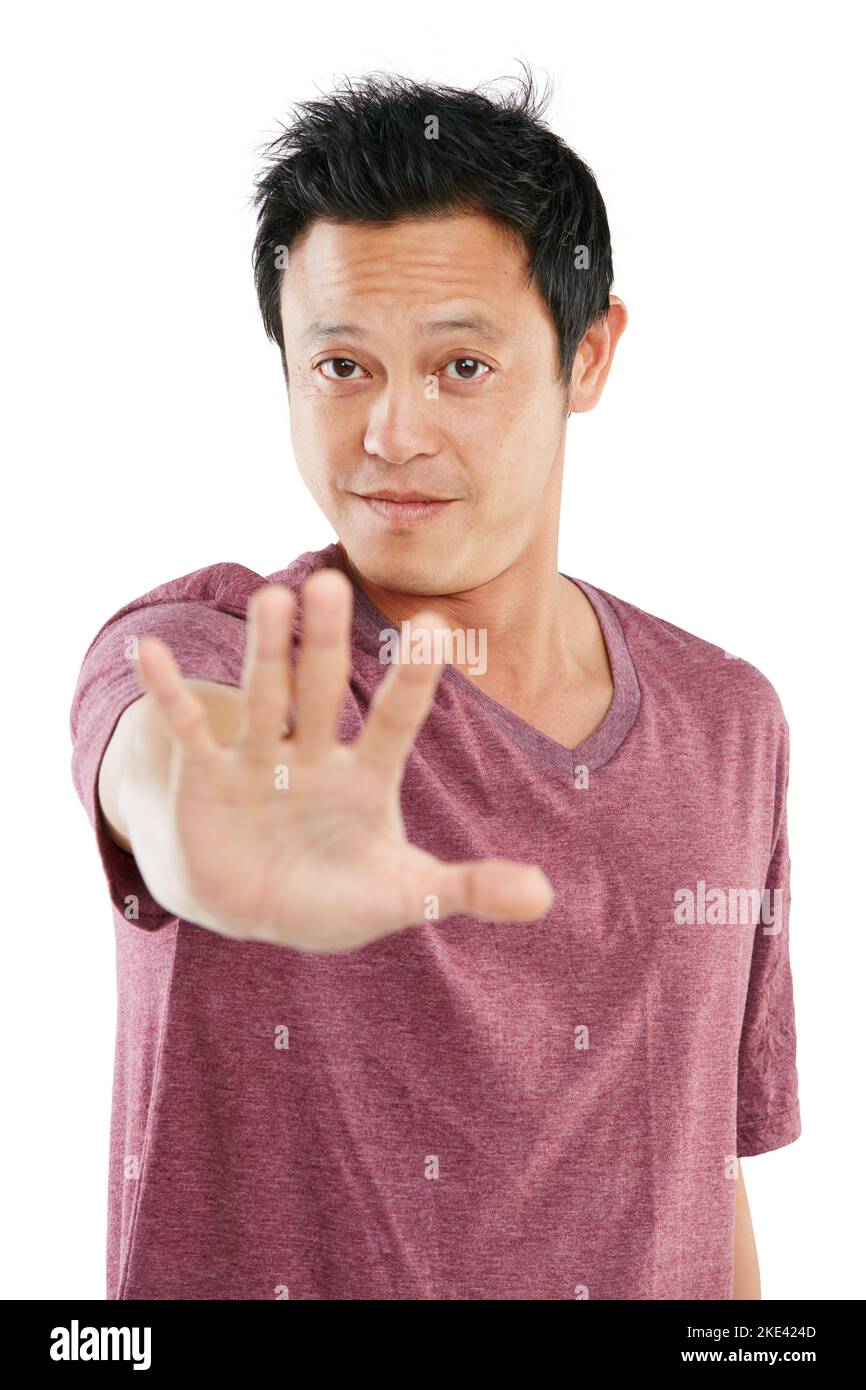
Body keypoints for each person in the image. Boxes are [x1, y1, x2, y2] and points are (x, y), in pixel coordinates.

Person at [70, 68, 800, 1301]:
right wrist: (208, 834)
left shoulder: (729, 722)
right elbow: (164, 768)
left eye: (460, 367)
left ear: (588, 352)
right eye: (341, 365)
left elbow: (704, 1169)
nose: (392, 433)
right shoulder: (212, 651)